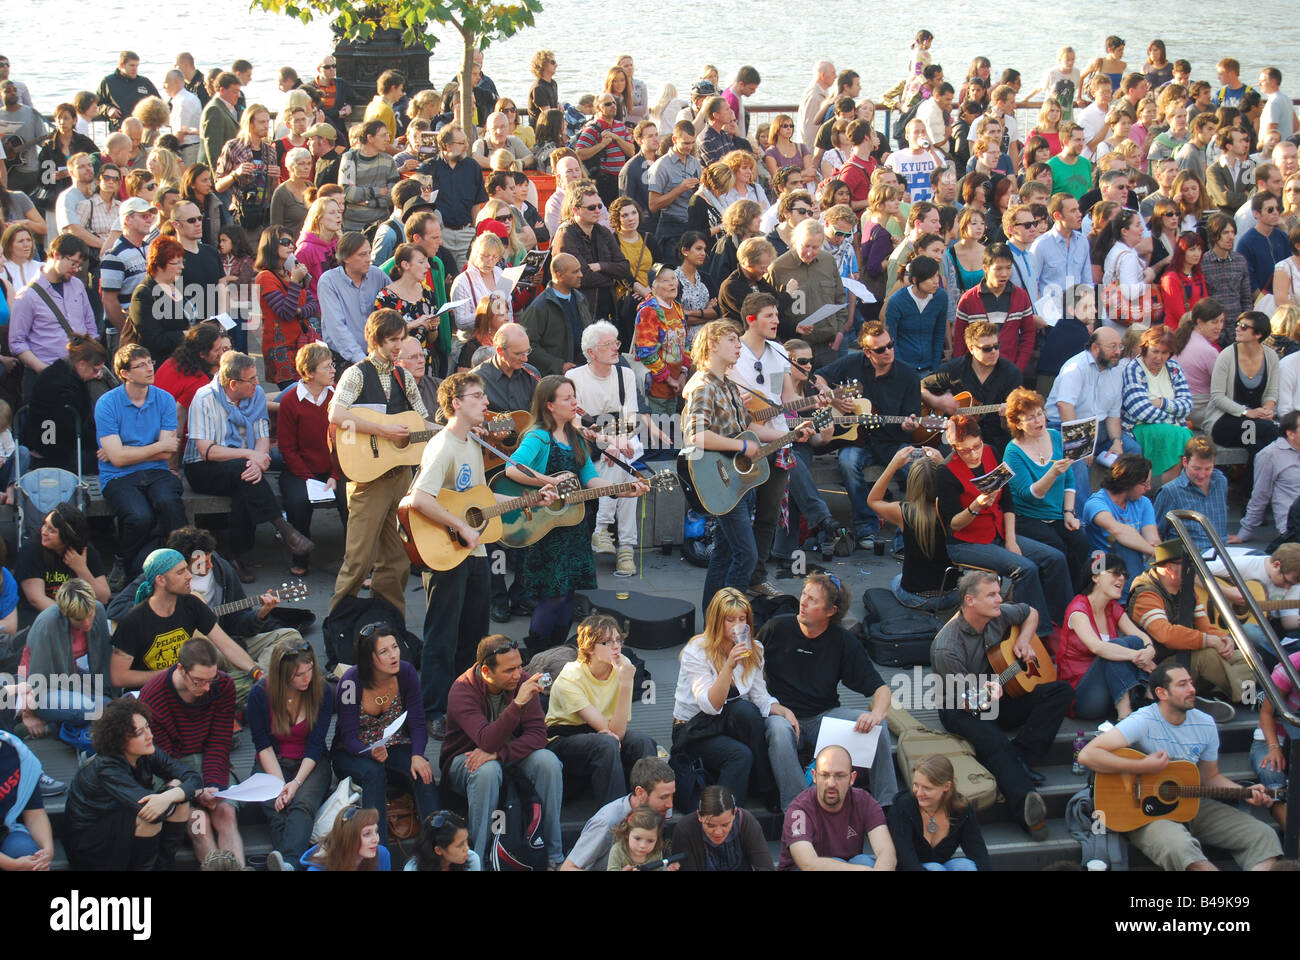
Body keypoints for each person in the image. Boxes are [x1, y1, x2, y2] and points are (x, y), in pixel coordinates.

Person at [1079, 661, 1281, 871]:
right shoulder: (1143, 720)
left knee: (1263, 835)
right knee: (1180, 847)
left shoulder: (1205, 723)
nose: (1192, 689)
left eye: (1191, 683)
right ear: (1162, 693)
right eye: (1182, 684)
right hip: (1144, 811)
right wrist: (1141, 766)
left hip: (1192, 801)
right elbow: (1087, 755)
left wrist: (1244, 792)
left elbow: (1210, 777)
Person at [504, 375, 646, 649]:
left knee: (569, 593)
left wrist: (620, 489)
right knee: (554, 595)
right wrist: (550, 481)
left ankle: (557, 650)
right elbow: (513, 468)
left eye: (574, 396)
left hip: (573, 524)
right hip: (546, 528)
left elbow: (591, 479)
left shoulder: (576, 437)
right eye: (567, 398)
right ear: (549, 405)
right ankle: (536, 651)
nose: (574, 403)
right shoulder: (538, 437)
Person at [683, 322, 813, 609]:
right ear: (713, 345)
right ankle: (732, 617)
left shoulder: (729, 385)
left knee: (725, 554)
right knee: (747, 555)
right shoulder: (704, 386)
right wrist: (741, 446)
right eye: (731, 340)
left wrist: (790, 434)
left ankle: (713, 619)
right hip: (720, 480)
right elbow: (697, 434)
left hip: (737, 479)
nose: (738, 345)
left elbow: (750, 429)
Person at [933, 570, 1070, 837]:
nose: (1000, 599)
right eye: (992, 595)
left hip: (999, 691)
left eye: (998, 593)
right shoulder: (946, 647)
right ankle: (1028, 811)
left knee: (1060, 691)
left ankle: (1020, 754)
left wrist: (1023, 640)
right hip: (962, 705)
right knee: (996, 743)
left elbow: (1030, 612)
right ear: (970, 601)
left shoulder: (999, 614)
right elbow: (967, 700)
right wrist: (986, 695)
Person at [329, 308, 435, 617]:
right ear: (375, 340)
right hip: (369, 477)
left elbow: (422, 423)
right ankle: (338, 622)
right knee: (358, 560)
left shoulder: (403, 376)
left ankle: (388, 620)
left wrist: (459, 430)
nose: (398, 346)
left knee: (398, 559)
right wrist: (382, 430)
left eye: (401, 338)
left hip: (400, 476)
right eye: (391, 340)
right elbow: (336, 414)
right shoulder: (356, 373)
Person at [761, 572, 898, 807]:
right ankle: (798, 807)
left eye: (812, 600)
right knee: (778, 730)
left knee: (879, 726)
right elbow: (748, 674)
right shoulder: (776, 628)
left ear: (830, 611)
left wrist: (875, 715)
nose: (803, 602)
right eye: (804, 595)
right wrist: (774, 707)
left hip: (822, 718)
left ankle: (888, 803)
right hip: (781, 715)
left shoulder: (843, 641)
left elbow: (881, 690)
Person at [439, 634, 564, 867]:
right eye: (509, 671)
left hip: (503, 757)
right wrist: (517, 704)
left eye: (519, 666)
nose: (518, 675)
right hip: (465, 763)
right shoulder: (462, 690)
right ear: (486, 672)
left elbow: (538, 735)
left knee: (548, 761)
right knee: (487, 770)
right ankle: (478, 860)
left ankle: (554, 856)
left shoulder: (522, 681)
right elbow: (485, 741)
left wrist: (499, 753)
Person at [184, 351, 312, 578]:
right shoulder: (204, 398)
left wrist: (259, 461)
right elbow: (207, 450)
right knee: (244, 472)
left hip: (242, 465)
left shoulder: (257, 395)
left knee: (245, 484)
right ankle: (282, 527)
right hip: (204, 467)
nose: (257, 383)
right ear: (233, 384)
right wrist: (250, 456)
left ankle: (235, 557)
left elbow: (263, 436)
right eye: (251, 379)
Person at [936, 413, 1070, 629]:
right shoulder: (946, 472)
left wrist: (1011, 539)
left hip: (998, 532)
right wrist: (975, 506)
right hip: (967, 542)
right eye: (964, 450)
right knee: (1026, 569)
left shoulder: (990, 452)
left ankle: (1066, 620)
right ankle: (1038, 631)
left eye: (976, 446)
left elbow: (1007, 501)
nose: (973, 454)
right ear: (954, 448)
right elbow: (954, 524)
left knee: (1055, 558)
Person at [672, 588, 798, 807]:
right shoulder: (697, 651)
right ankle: (721, 813)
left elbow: (760, 697)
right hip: (693, 728)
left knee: (747, 712)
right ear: (716, 621)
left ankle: (767, 788)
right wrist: (729, 666)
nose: (737, 625)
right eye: (730, 620)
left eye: (742, 619)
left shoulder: (754, 649)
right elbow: (710, 705)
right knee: (740, 754)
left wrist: (784, 711)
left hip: (725, 721)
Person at [136, 636, 245, 867]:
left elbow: (219, 741)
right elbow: (162, 759)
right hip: (170, 770)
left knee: (226, 814)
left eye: (210, 680)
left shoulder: (223, 685)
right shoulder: (153, 695)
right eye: (198, 681)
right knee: (199, 823)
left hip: (209, 761)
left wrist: (213, 784)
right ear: (181, 670)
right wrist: (195, 791)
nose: (206, 688)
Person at [62, 698, 203, 870]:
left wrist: (170, 794)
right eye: (139, 733)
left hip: (121, 825)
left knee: (177, 794)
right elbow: (151, 810)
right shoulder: (107, 767)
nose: (149, 735)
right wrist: (171, 795)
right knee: (149, 814)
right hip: (92, 845)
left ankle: (164, 866)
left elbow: (195, 779)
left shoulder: (147, 751)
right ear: (119, 739)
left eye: (148, 727)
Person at [331, 623, 438, 842]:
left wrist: (417, 755)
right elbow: (349, 737)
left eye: (395, 647)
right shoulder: (349, 683)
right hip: (354, 752)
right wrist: (369, 752)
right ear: (368, 657)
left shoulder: (406, 673)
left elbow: (418, 723)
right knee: (374, 773)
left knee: (423, 771)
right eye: (384, 651)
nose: (393, 655)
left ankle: (439, 843)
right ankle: (377, 853)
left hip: (395, 744)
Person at [95, 344, 187, 586]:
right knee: (139, 517)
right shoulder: (107, 403)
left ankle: (178, 563)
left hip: (157, 472)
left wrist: (125, 451)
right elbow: (119, 460)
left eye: (150, 363)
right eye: (141, 365)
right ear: (125, 373)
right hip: (118, 476)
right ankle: (123, 562)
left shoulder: (164, 399)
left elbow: (168, 454)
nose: (149, 368)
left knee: (169, 505)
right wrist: (156, 448)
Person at [546, 614, 655, 806]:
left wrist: (625, 682)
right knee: (606, 743)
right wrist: (626, 684)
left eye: (618, 640)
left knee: (643, 742)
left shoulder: (620, 671)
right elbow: (614, 734)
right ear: (589, 647)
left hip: (605, 732)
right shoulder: (571, 676)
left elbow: (618, 731)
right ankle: (617, 819)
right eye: (606, 642)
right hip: (563, 738)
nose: (615, 646)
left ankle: (648, 812)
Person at [248, 637, 334, 871]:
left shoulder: (323, 691)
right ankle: (291, 864)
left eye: (309, 670)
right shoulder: (258, 695)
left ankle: (288, 865)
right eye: (299, 674)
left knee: (302, 805)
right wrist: (279, 786)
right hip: (272, 761)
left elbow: (316, 745)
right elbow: (262, 745)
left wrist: (294, 784)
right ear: (283, 674)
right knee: (277, 809)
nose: (307, 678)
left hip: (310, 761)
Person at [568, 321, 644, 574]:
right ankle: (626, 548)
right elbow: (575, 422)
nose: (616, 349)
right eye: (609, 344)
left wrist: (617, 442)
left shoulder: (626, 374)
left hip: (620, 440)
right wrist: (609, 443)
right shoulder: (574, 377)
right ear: (591, 352)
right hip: (587, 444)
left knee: (622, 463)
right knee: (625, 468)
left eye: (617, 342)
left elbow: (631, 418)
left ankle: (602, 529)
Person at [1002, 386, 1092, 595]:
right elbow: (1030, 494)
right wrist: (1051, 473)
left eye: (1040, 414)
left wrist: (1069, 513)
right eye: (1030, 417)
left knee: (1080, 542)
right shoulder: (1013, 451)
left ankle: (1078, 598)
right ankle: (1061, 604)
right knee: (1057, 549)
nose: (1038, 421)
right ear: (1017, 423)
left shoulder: (1054, 436)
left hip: (1057, 513)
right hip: (1028, 517)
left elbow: (1069, 479)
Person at [1057, 552, 1156, 719]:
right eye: (1115, 573)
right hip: (1082, 698)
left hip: (1109, 690)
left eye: (1124, 575)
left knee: (1132, 641)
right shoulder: (1078, 609)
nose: (1122, 579)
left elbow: (1140, 636)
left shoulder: (1112, 607)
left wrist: (1149, 650)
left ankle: (1147, 699)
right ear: (1096, 577)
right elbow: (1097, 647)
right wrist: (1136, 657)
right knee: (1110, 649)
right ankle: (1125, 714)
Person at [277, 342, 346, 577]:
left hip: (335, 468)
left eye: (332, 365)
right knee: (297, 502)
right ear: (309, 373)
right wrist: (309, 480)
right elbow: (288, 448)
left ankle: (356, 561)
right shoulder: (290, 401)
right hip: (300, 471)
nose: (333, 370)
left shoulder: (338, 399)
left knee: (351, 499)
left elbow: (344, 444)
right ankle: (300, 557)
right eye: (327, 367)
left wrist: (335, 476)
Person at [12, 579, 112, 740]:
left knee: (110, 706)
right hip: (38, 687)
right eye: (79, 620)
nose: (86, 623)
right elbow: (36, 679)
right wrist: (28, 715)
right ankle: (50, 727)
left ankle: (54, 726)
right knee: (87, 709)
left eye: (89, 616)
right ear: (65, 614)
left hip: (71, 678)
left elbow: (103, 662)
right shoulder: (47, 625)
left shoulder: (98, 610)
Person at [778, 744, 897, 871]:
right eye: (824, 775)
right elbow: (808, 864)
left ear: (852, 778)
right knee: (860, 865)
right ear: (814, 776)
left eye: (839, 776)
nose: (831, 783)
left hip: (845, 866)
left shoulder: (865, 801)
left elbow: (887, 853)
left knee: (864, 861)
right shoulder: (799, 810)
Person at [9, 234, 98, 400]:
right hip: (44, 376)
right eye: (73, 263)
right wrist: (42, 368)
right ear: (57, 255)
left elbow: (90, 326)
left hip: (79, 374)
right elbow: (16, 342)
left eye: (79, 265)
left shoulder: (77, 285)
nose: (75, 269)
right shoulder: (27, 295)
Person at [922, 320, 1022, 455]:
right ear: (971, 349)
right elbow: (919, 388)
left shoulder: (1011, 373)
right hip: (957, 438)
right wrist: (936, 401)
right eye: (986, 348)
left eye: (996, 346)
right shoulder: (954, 369)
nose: (993, 352)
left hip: (996, 441)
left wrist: (1005, 418)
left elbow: (1014, 425)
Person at [560, 756, 674, 871]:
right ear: (640, 793)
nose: (670, 804)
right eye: (663, 797)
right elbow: (566, 868)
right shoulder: (606, 822)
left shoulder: (655, 815)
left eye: (672, 796)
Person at [1203, 309, 1280, 477]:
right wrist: (1247, 412)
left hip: (1254, 425)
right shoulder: (1227, 356)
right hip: (1225, 421)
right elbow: (1217, 397)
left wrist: (1267, 409)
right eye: (1238, 325)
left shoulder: (1271, 356)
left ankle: (1251, 492)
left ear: (1258, 334)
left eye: (1244, 326)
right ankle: (1256, 493)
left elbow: (1272, 393)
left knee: (1258, 445)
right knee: (1270, 432)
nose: (1238, 329)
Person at [15, 501, 109, 630]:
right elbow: (36, 599)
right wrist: (72, 618)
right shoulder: (31, 549)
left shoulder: (84, 550)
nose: (44, 531)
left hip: (80, 616)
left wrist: (81, 570)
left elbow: (103, 598)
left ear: (67, 537)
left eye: (51, 530)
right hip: (41, 616)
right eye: (45, 525)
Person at [888, 754, 991, 871]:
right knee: (935, 868)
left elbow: (978, 853)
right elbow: (906, 860)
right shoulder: (902, 808)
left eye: (927, 788)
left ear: (946, 786)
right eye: (916, 785)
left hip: (940, 867)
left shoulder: (961, 809)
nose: (919, 793)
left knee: (965, 866)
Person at [1121, 325, 1194, 483]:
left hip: (1172, 429)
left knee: (1182, 437)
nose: (1159, 358)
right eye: (1155, 351)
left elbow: (1187, 406)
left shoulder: (1173, 368)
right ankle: (1165, 489)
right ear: (1145, 349)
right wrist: (1173, 417)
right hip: (1140, 427)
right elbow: (1141, 411)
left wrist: (1161, 403)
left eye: (1165, 353)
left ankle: (1167, 489)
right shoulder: (1134, 369)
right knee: (1182, 436)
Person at [257, 227, 321, 389]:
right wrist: (295, 282)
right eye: (285, 242)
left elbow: (313, 305)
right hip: (282, 351)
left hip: (302, 345)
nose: (291, 246)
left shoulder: (291, 273)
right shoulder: (265, 277)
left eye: (292, 242)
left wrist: (299, 312)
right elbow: (285, 313)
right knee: (293, 396)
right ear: (270, 245)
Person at [125, 236, 197, 365]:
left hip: (186, 360)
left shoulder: (179, 286)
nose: (181, 267)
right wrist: (186, 335)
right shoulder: (144, 294)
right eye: (175, 263)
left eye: (182, 262)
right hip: (161, 365)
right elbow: (152, 339)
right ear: (158, 265)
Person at [1153, 436, 1230, 554]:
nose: (1202, 475)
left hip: (1222, 553)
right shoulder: (1170, 491)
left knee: (1262, 560)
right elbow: (1157, 533)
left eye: (1208, 469)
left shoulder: (1220, 481)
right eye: (1196, 468)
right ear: (1185, 462)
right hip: (1192, 557)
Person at [1233, 411, 1300, 545]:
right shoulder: (1270, 454)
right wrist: (1245, 532)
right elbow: (1260, 495)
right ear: (1291, 434)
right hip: (1294, 528)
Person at [427, 124, 487, 265]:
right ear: (447, 146)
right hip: (441, 234)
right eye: (461, 143)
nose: (467, 146)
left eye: (466, 141)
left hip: (466, 233)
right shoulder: (429, 168)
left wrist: (474, 231)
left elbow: (476, 204)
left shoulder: (473, 167)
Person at [0, 725, 55, 871]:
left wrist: (47, 850)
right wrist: (12, 865)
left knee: (34, 860)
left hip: (5, 830)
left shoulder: (15, 752)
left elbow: (35, 813)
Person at [648, 121, 703, 264]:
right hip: (671, 228)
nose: (689, 147)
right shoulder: (660, 166)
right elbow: (653, 205)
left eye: (692, 143)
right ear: (674, 140)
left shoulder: (694, 162)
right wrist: (679, 189)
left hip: (691, 227)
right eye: (685, 143)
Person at [301, 806, 390, 871]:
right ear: (349, 837)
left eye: (376, 831)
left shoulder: (381, 855)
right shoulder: (317, 869)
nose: (376, 839)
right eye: (367, 834)